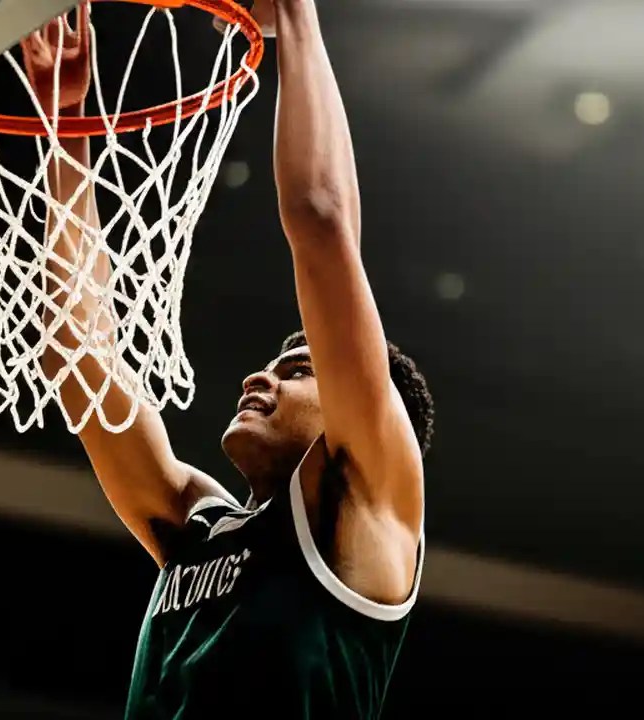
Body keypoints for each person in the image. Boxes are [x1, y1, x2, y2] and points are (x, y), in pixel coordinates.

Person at [28, 0, 435, 716]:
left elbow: (321, 217)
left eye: (298, 368)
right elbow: (80, 364)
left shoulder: (368, 504)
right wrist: (65, 130)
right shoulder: (200, 530)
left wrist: (296, 16)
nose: (261, 375)